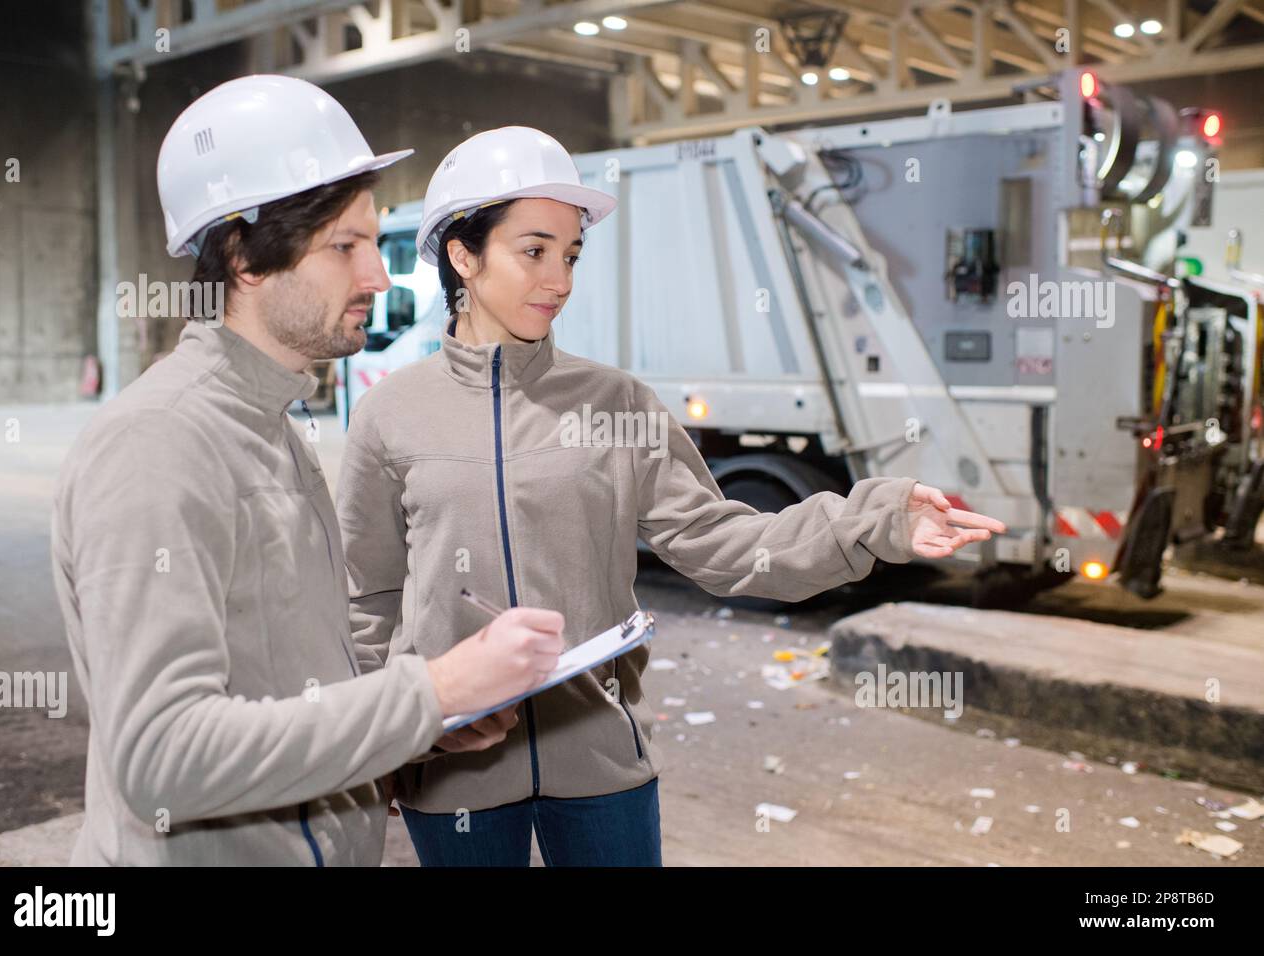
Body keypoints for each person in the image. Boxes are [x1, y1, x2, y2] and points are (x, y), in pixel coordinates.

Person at [335, 126, 1006, 866]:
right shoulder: (389, 414)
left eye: (570, 255)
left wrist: (873, 521)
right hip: (452, 765)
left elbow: (725, 543)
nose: (558, 279)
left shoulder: (616, 402)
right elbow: (370, 598)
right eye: (534, 251)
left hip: (598, 760)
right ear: (464, 254)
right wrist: (387, 735)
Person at [51, 79, 562, 866]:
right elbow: (161, 757)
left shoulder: (275, 434)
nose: (378, 278)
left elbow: (293, 700)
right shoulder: (157, 443)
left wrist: (420, 729)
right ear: (243, 257)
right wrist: (432, 692)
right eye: (344, 247)